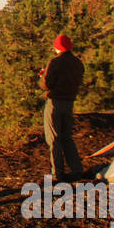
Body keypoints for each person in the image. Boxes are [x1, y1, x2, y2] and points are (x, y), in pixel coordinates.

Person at [39, 33, 84, 181]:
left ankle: (57, 173)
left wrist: (42, 76)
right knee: (67, 137)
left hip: (55, 103)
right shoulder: (78, 63)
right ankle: (77, 169)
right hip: (69, 102)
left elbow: (46, 85)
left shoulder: (55, 62)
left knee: (53, 139)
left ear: (56, 47)